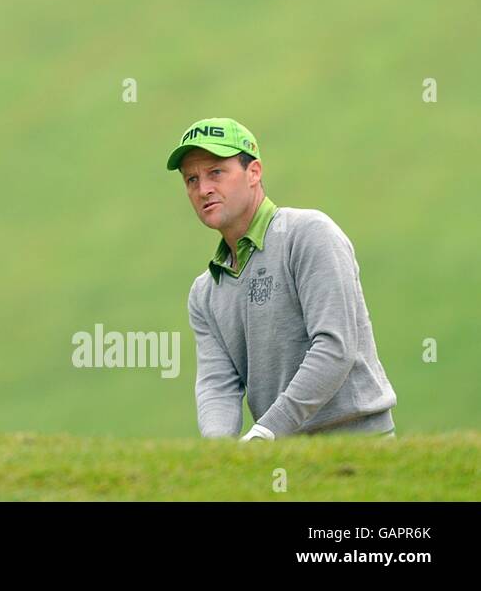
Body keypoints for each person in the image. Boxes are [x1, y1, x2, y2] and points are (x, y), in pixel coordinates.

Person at [168, 118, 397, 441]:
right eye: (191, 179)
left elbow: (335, 348)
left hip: (358, 443)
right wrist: (220, 453)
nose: (203, 189)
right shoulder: (205, 291)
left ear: (254, 172)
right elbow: (218, 383)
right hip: (283, 456)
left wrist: (267, 431)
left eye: (216, 172)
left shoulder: (309, 234)